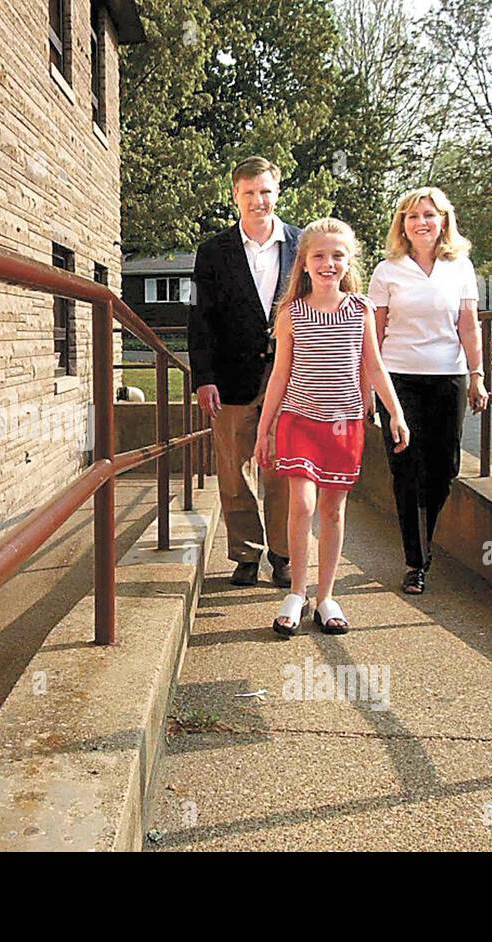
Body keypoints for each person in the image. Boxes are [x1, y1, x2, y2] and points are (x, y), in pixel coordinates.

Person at [256, 218, 410, 636]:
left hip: (343, 426)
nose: (328, 263)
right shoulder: (290, 312)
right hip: (298, 422)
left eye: (337, 256)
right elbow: (279, 375)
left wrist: (395, 412)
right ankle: (296, 592)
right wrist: (263, 430)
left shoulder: (359, 309)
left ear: (349, 261)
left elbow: (374, 367)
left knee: (332, 510)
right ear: (303, 262)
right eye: (319, 256)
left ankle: (325, 597)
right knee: (302, 504)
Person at [366, 187, 489, 595]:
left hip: (447, 377)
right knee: (406, 468)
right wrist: (369, 388)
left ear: (443, 222)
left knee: (443, 472)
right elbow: (374, 333)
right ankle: (415, 562)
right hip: (398, 378)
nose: (422, 222)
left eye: (430, 215)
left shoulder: (461, 268)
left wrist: (477, 374)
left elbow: (468, 324)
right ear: (403, 224)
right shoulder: (387, 270)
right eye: (413, 215)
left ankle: (426, 542)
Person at [189, 156, 301, 588]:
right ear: (235, 195)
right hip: (231, 381)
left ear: (277, 191)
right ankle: (246, 554)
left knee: (281, 474)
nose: (258, 200)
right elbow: (199, 318)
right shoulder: (212, 252)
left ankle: (283, 553)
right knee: (234, 472)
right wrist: (204, 377)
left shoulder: (301, 243)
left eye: (265, 191)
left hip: (288, 380)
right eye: (249, 192)